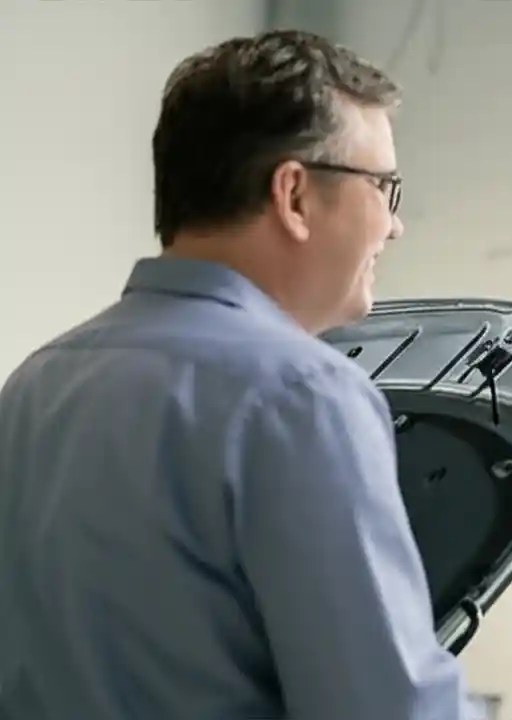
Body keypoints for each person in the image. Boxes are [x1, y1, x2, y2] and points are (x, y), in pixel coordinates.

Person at [0, 30, 464, 720]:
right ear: (295, 196)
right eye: (384, 188)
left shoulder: (32, 389)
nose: (393, 228)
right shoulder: (303, 396)